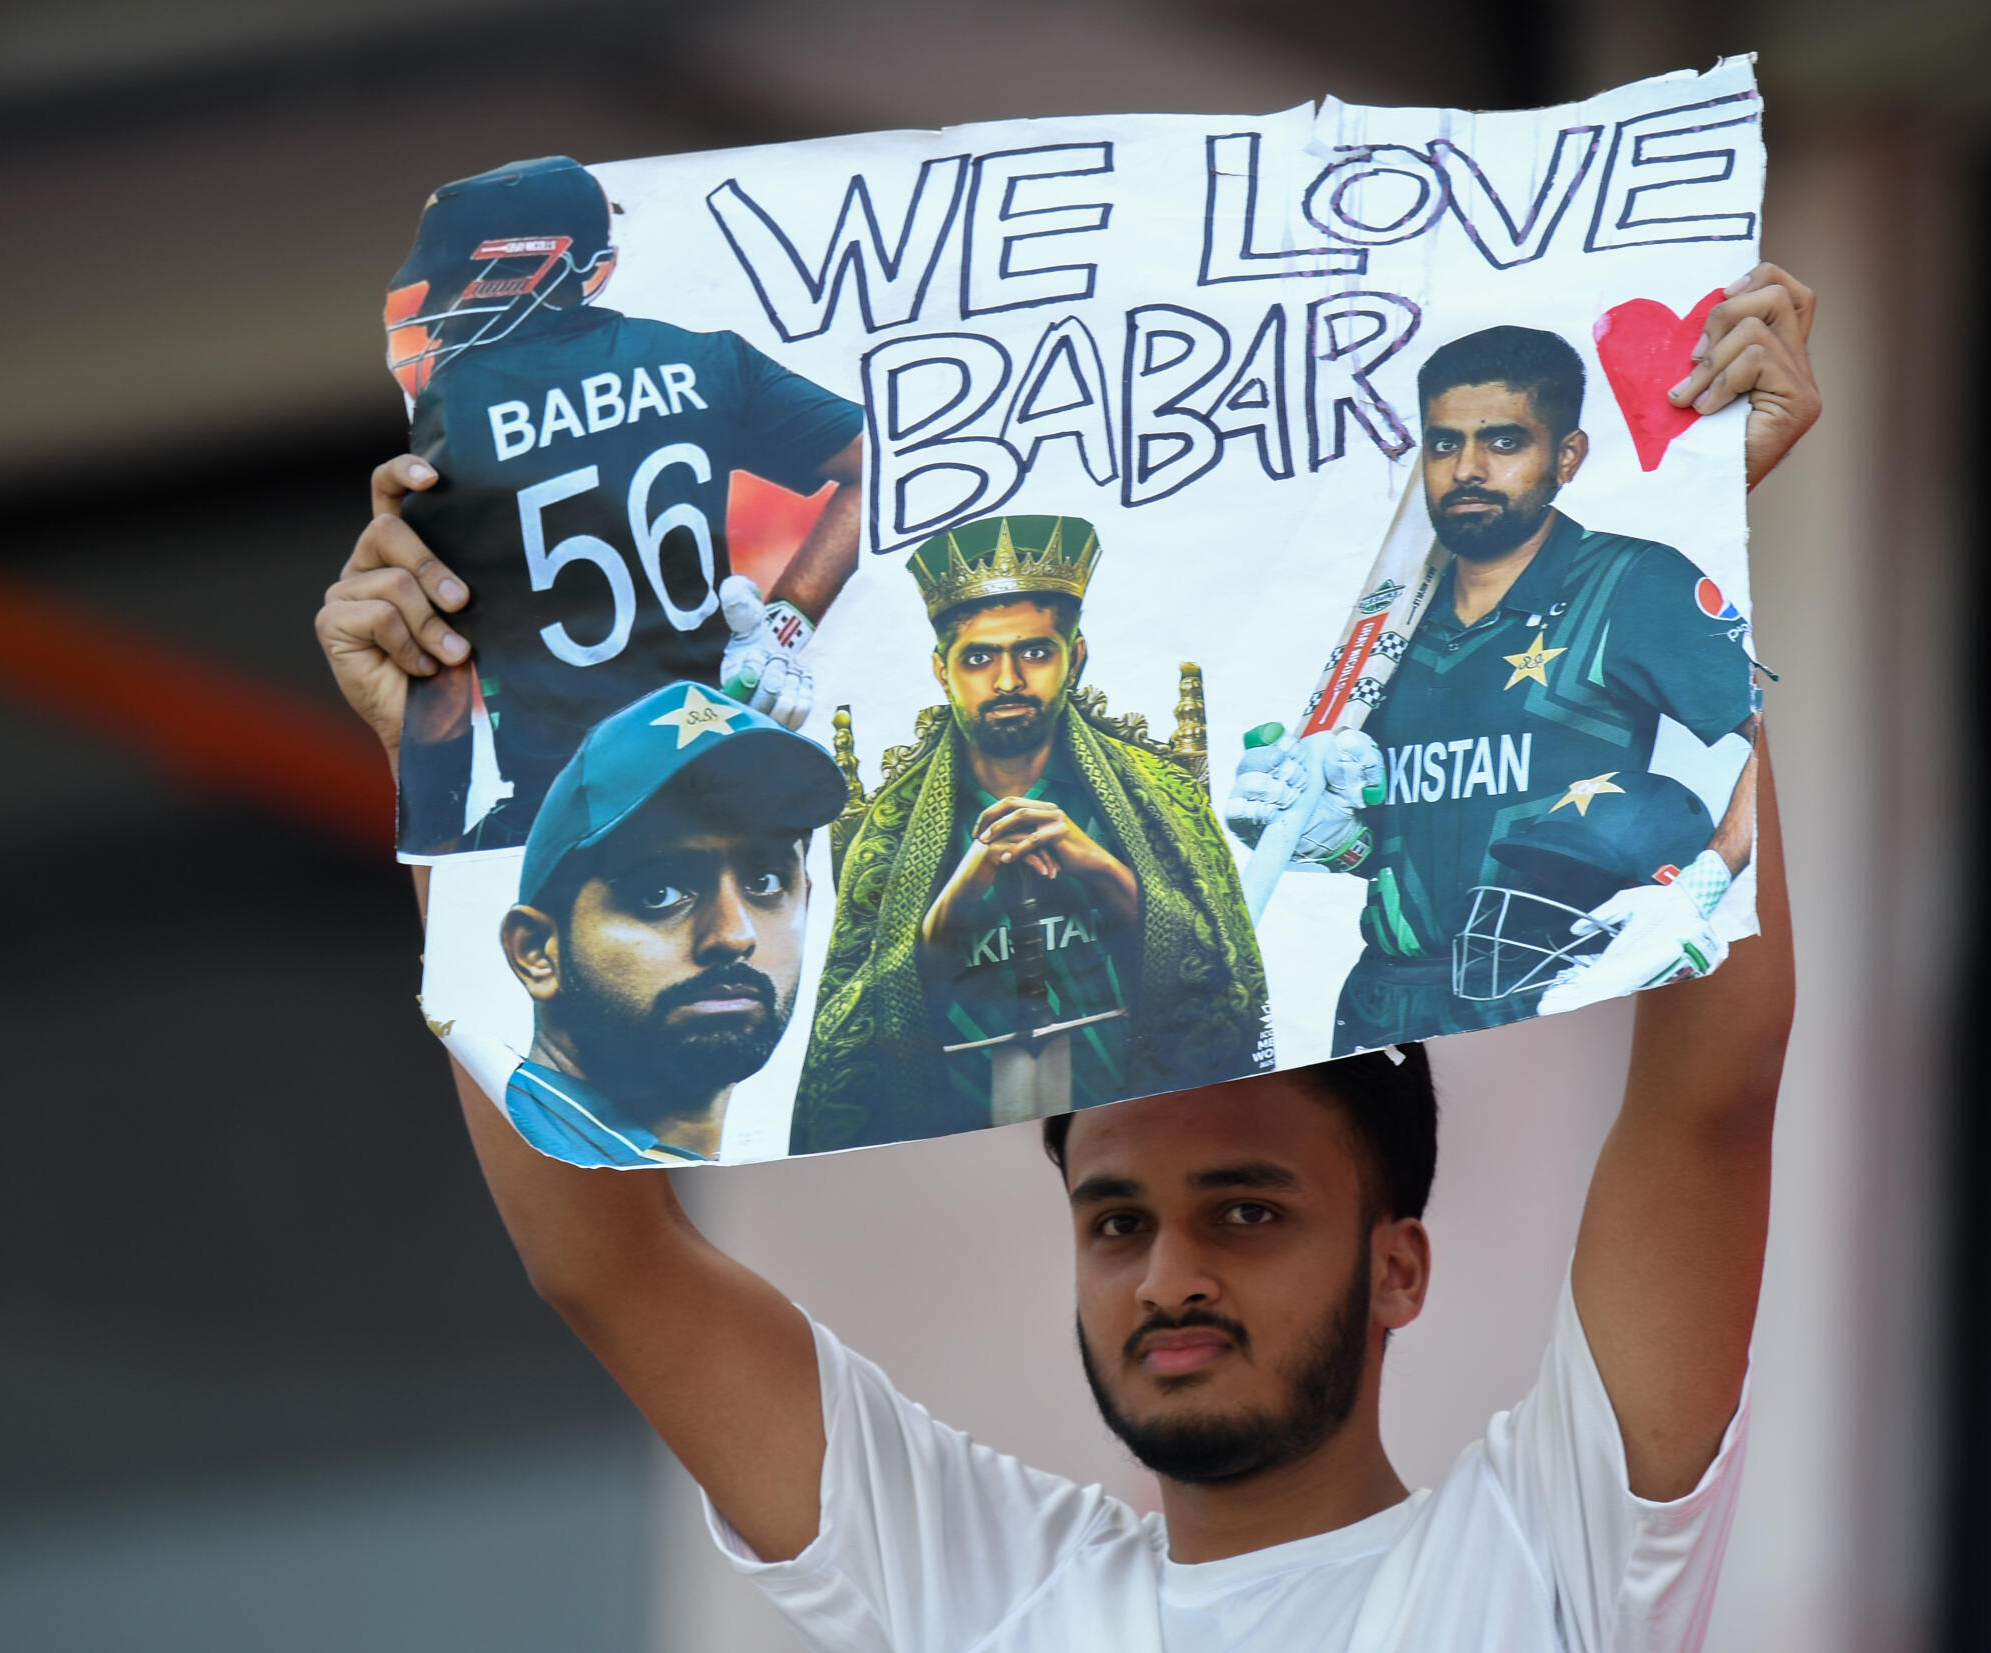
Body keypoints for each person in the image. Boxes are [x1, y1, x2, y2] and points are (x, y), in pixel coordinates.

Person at [313, 261, 1818, 1651]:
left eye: (1246, 1210)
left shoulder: (1557, 1547)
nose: (1170, 1275)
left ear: (1400, 1264)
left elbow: (1714, 1083)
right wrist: (462, 773)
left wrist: (1699, 531)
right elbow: (603, 1256)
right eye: (1115, 1222)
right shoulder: (992, 1588)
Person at [1226, 315, 1799, 1054]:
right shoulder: (1388, 615)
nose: (1468, 467)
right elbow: (1405, 835)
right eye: (1445, 443)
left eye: (1503, 441)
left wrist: (1707, 881)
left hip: (1545, 996)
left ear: (1567, 455)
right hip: (1379, 1006)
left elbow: (1776, 733)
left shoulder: (1630, 582)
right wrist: (1327, 838)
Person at [378, 155, 866, 854]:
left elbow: (444, 689)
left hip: (561, 810)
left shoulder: (455, 407)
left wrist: (437, 846)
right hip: (716, 775)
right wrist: (783, 626)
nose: (442, 306)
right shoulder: (707, 360)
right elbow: (887, 464)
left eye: (455, 282)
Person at [790, 513, 1269, 1155]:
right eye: (980, 657)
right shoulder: (894, 829)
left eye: (1035, 652)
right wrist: (949, 911)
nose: (1009, 681)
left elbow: (1224, 987)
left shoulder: (1158, 797)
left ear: (1076, 657)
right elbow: (854, 1041)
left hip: (1146, 1134)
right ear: (942, 671)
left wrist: (1101, 868)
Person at [492, 680, 848, 1167]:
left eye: (764, 881)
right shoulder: (513, 1167)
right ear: (536, 951)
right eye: (659, 893)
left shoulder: (651, 1170)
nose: (733, 935)